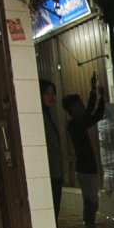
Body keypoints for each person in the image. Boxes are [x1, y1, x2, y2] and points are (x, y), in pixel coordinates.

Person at [62, 71, 107, 228]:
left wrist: (99, 97)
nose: (81, 106)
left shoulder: (78, 123)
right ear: (72, 109)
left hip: (88, 169)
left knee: (91, 201)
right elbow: (90, 112)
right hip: (85, 170)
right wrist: (94, 91)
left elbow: (96, 115)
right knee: (91, 201)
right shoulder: (74, 125)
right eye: (78, 104)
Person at [40, 79, 63, 216]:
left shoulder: (47, 116)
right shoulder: (41, 117)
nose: (52, 97)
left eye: (53, 93)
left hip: (55, 172)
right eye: (47, 93)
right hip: (51, 173)